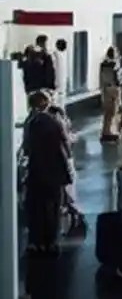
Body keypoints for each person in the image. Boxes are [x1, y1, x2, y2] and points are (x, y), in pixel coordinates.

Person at [22, 90, 72, 253]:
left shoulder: (31, 122)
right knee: (53, 208)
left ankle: (36, 241)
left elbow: (28, 148)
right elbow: (65, 144)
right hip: (55, 171)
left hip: (36, 171)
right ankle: (52, 242)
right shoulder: (55, 121)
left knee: (36, 208)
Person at [99, 47, 122, 142]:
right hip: (114, 89)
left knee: (107, 113)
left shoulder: (103, 64)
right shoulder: (115, 64)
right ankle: (110, 132)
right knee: (114, 111)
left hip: (105, 89)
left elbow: (101, 78)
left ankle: (105, 131)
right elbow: (117, 78)